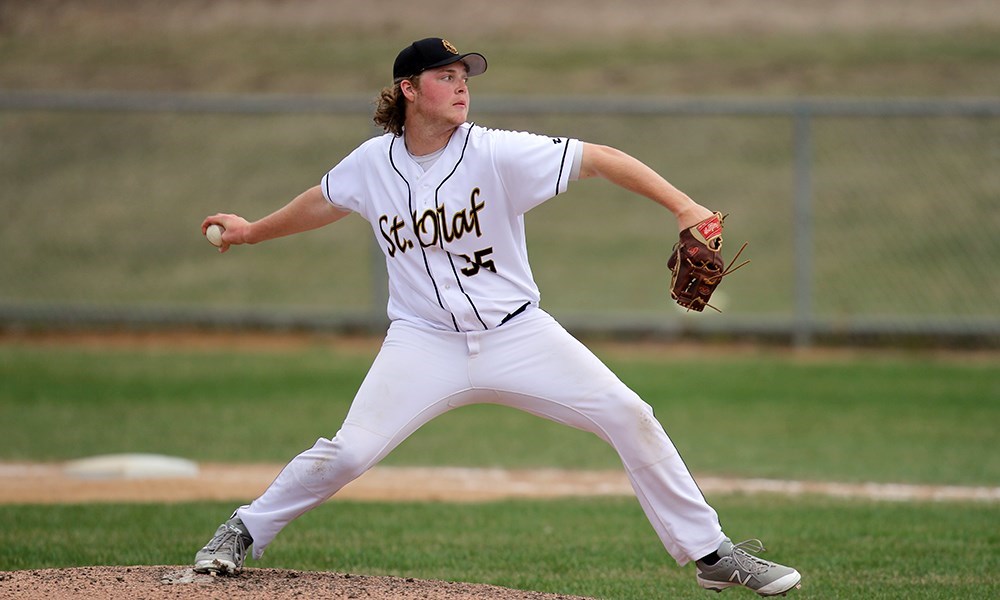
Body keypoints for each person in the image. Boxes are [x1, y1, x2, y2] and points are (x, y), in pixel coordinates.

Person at [194, 37, 802, 597]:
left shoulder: (494, 151)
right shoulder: (371, 163)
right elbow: (321, 202)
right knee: (350, 453)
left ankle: (711, 554)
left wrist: (684, 207)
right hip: (422, 343)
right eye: (445, 76)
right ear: (408, 89)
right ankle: (243, 530)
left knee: (629, 414)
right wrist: (250, 232)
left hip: (518, 335)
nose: (461, 85)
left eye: (464, 75)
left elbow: (600, 158)